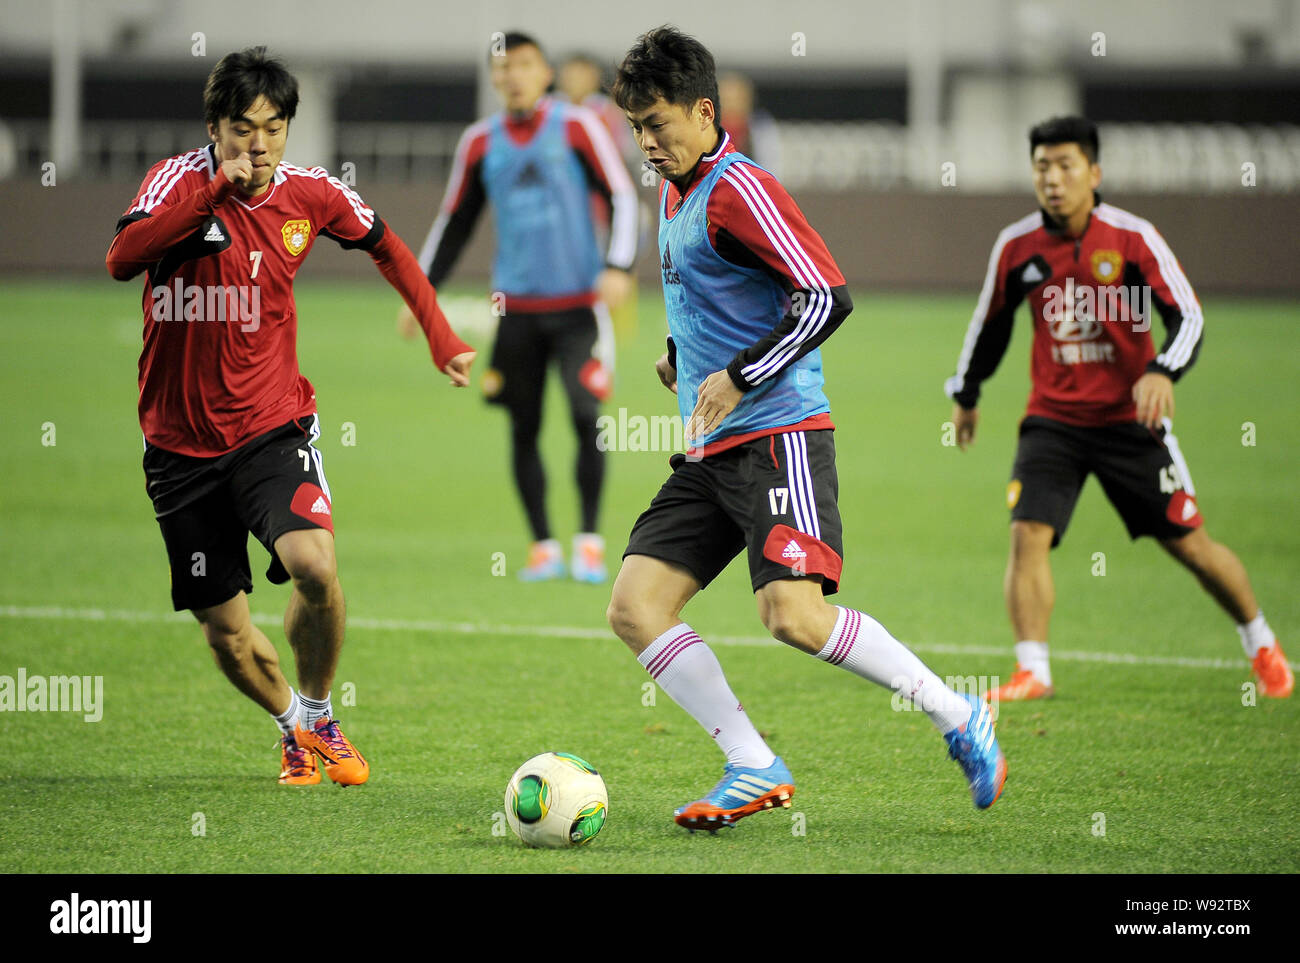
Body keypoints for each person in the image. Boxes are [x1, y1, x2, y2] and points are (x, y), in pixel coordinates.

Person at [605, 26, 1006, 832]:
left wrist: (738, 374)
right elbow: (720, 296)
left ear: (704, 110)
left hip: (779, 433)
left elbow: (824, 296)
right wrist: (680, 357)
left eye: (658, 124)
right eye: (637, 128)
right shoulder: (674, 188)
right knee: (635, 605)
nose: (647, 142)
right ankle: (752, 761)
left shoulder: (739, 187)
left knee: (794, 614)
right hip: (713, 446)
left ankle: (957, 713)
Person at [107, 47, 475, 785]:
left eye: (274, 128)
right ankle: (287, 727)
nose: (259, 143)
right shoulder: (177, 182)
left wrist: (441, 336)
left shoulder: (310, 193)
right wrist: (213, 192)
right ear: (214, 127)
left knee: (314, 563)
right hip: (179, 448)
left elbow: (389, 247)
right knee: (226, 633)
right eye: (243, 127)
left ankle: (317, 712)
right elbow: (122, 257)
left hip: (273, 427)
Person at [945, 115, 1292, 702]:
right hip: (1052, 421)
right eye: (1041, 168)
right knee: (1027, 531)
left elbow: (1188, 315)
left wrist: (1162, 370)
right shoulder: (1017, 247)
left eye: (1065, 166)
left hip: (1130, 425)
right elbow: (991, 326)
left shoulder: (1133, 238)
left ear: (1093, 172)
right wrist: (967, 394)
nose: (1052, 179)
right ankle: (1034, 669)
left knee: (1191, 546)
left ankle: (1260, 641)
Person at [402, 32, 638, 583]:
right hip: (514, 312)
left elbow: (623, 194)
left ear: (545, 73)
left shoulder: (578, 127)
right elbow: (455, 221)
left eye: (525, 64)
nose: (514, 75)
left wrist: (619, 266)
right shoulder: (480, 143)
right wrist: (420, 294)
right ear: (494, 77)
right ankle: (541, 546)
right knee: (522, 425)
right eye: (503, 66)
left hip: (581, 308)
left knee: (586, 417)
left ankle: (588, 542)